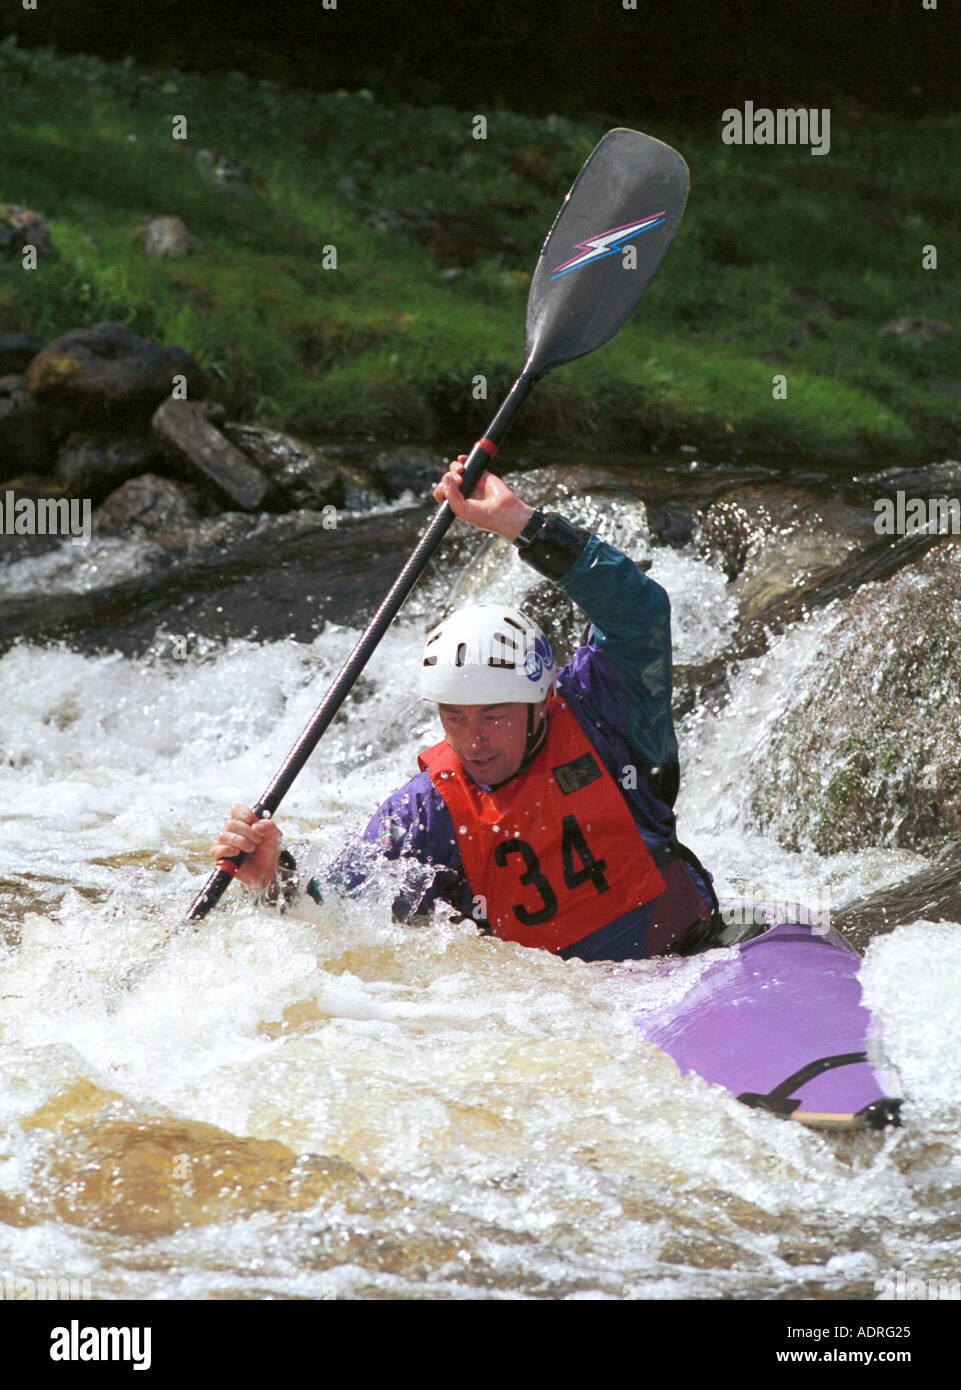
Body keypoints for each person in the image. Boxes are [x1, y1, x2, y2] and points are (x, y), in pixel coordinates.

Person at [212, 456, 721, 962]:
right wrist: (273, 880)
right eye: (454, 716)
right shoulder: (425, 813)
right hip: (562, 1013)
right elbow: (336, 917)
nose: (473, 740)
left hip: (691, 958)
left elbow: (639, 611)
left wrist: (522, 524)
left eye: (494, 716)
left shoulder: (603, 713)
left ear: (541, 702)